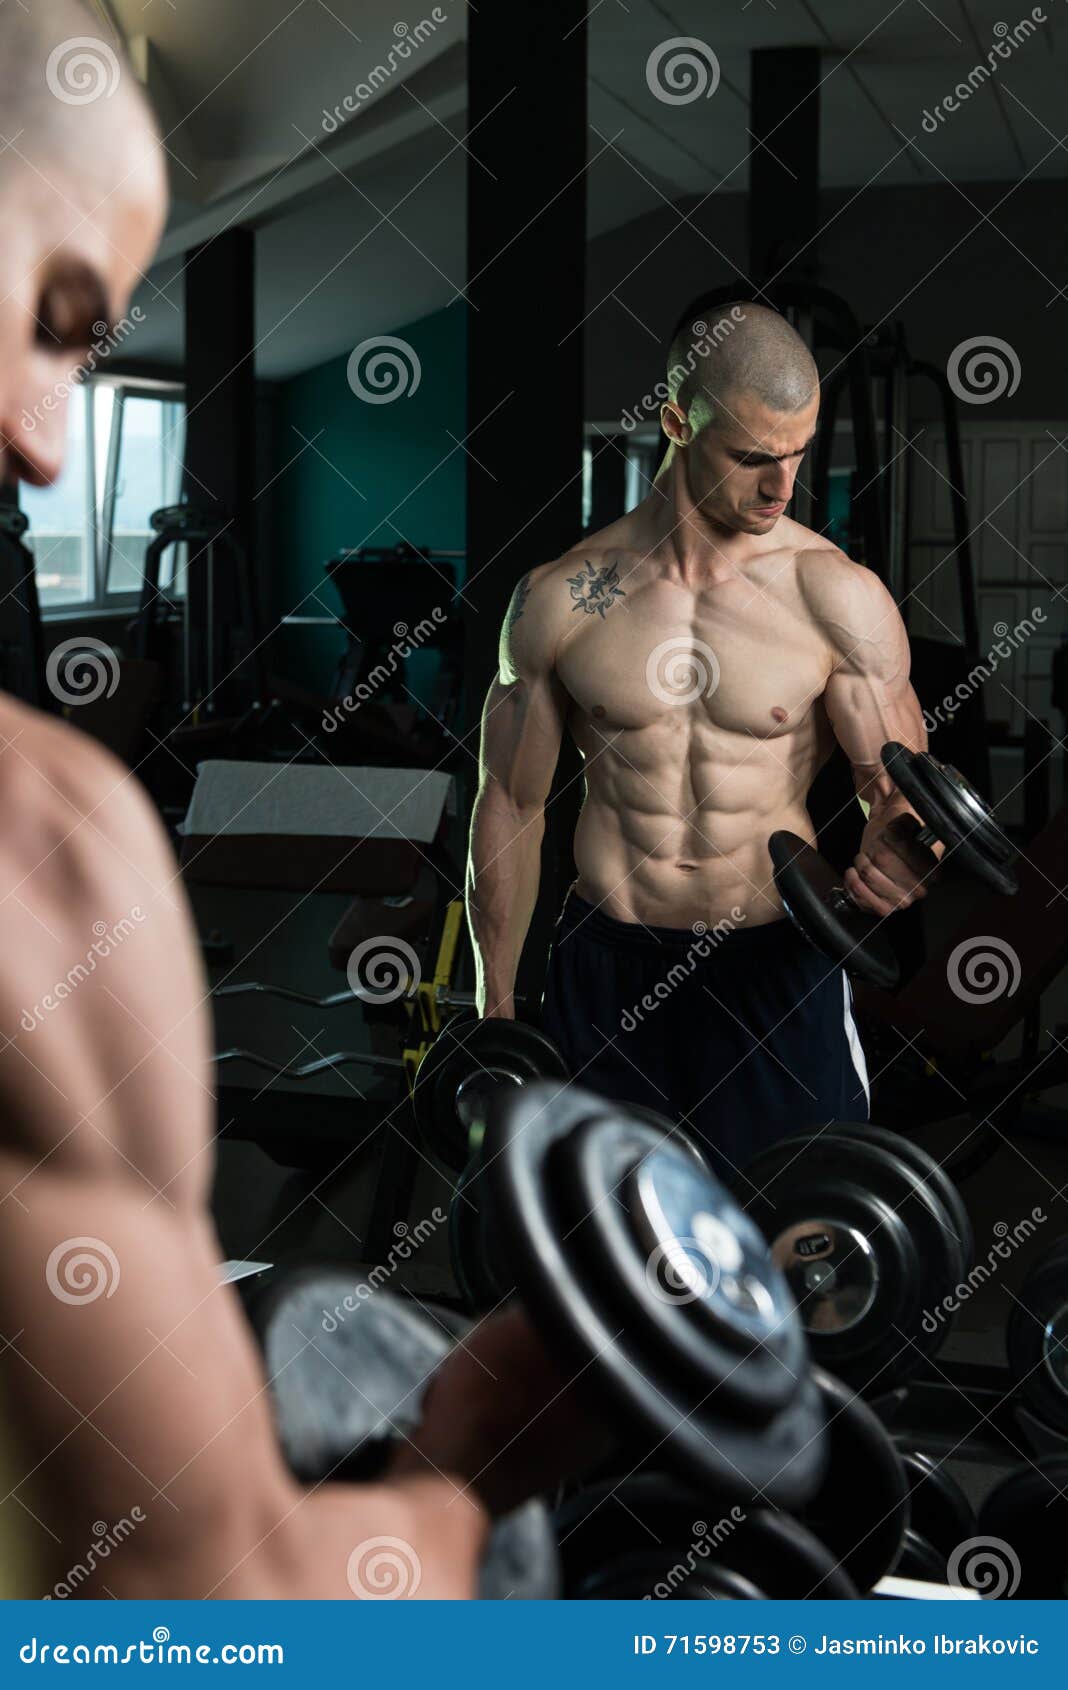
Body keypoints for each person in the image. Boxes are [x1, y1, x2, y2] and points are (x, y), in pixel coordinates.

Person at [0, 2, 599, 1600]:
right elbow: (218, 1603)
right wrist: (469, 1454)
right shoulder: (40, 860)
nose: (46, 446)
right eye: (55, 318)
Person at [467, 300, 939, 1175]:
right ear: (679, 421)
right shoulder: (562, 598)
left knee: (791, 1253)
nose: (783, 487)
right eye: (754, 458)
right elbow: (511, 803)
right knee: (602, 1260)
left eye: (797, 455)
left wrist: (908, 850)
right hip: (607, 968)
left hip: (771, 969)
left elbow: (903, 792)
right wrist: (492, 1009)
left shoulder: (835, 597)